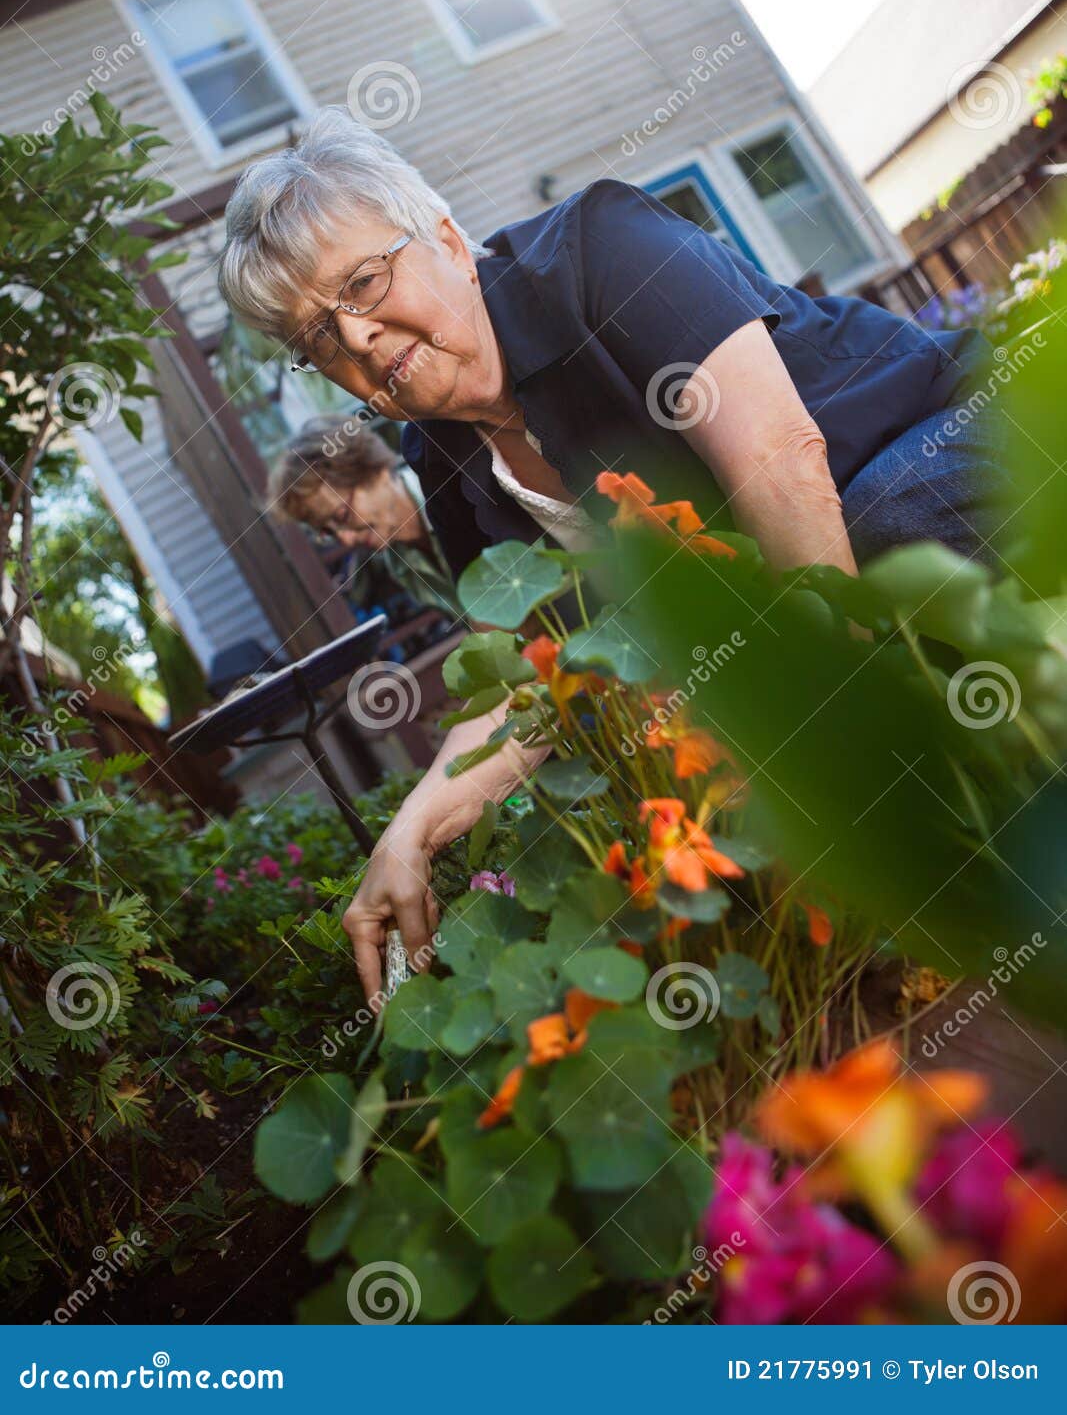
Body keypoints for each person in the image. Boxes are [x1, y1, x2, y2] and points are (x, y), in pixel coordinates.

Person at [217, 107, 1000, 995]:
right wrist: (415, 823)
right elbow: (529, 674)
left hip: (942, 448)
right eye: (316, 338)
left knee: (876, 530)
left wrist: (824, 748)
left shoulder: (601, 248)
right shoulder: (435, 456)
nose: (353, 338)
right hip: (792, 611)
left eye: (360, 283)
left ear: (445, 237)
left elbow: (783, 467)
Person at [265, 418, 461, 620]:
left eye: (342, 515)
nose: (346, 540)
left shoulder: (459, 500)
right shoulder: (400, 565)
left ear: (375, 471)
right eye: (328, 531)